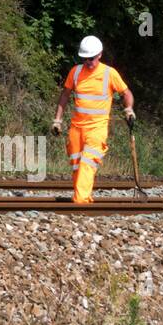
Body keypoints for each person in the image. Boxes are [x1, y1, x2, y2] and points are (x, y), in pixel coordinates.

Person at [51, 36, 134, 203]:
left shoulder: (109, 74)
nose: (88, 62)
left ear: (100, 55)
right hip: (77, 128)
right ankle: (84, 198)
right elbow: (65, 95)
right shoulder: (75, 72)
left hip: (97, 128)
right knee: (76, 165)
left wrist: (128, 110)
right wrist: (57, 120)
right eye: (85, 58)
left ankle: (80, 201)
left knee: (87, 162)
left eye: (91, 58)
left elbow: (126, 93)